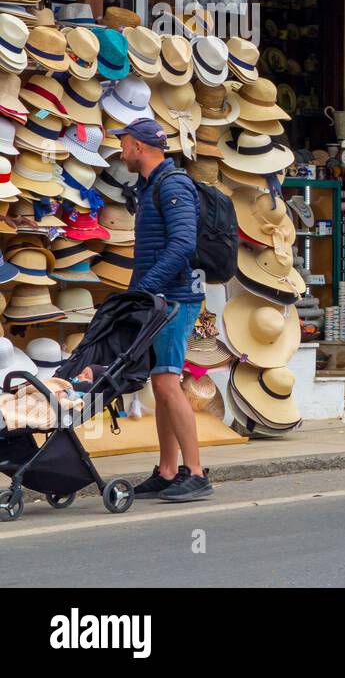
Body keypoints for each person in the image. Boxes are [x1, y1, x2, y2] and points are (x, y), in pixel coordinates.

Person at [110, 118, 213, 501]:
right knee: (160, 383)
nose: (122, 153)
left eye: (123, 145)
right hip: (160, 299)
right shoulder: (153, 185)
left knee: (169, 383)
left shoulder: (173, 185)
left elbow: (183, 243)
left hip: (175, 299)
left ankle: (197, 472)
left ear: (138, 146)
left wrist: (146, 289)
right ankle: (169, 470)